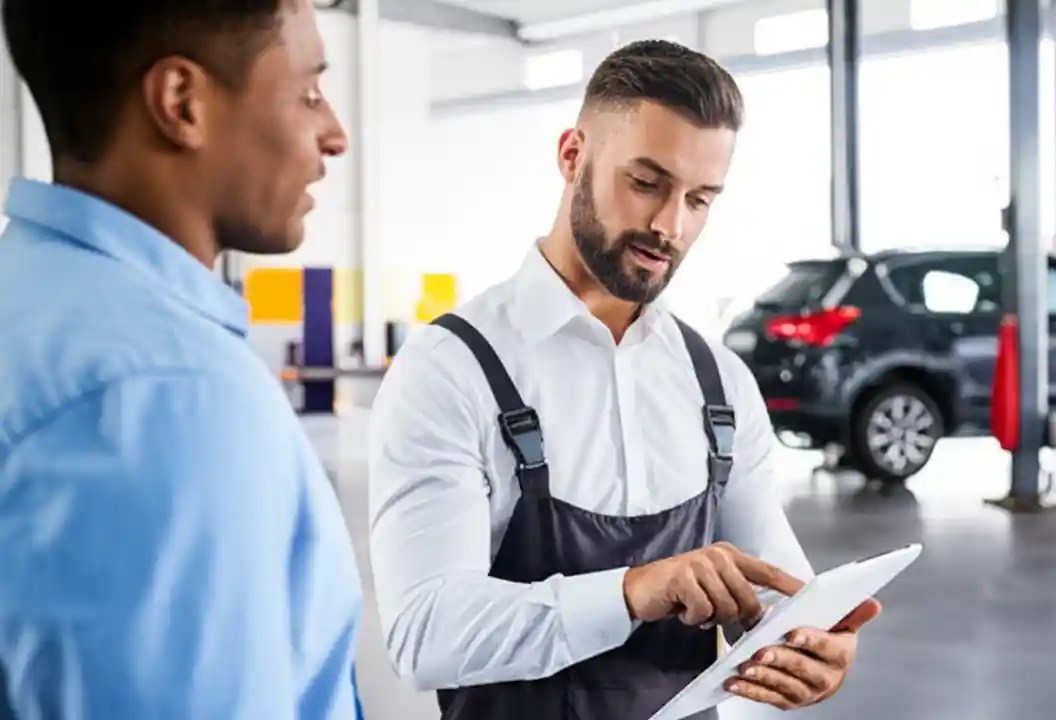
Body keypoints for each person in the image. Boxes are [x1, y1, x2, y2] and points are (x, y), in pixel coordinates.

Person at [367, 40, 881, 719]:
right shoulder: (452, 371)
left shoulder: (718, 385)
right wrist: (632, 591)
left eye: (700, 199)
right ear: (572, 155)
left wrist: (812, 644)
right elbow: (424, 634)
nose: (670, 225)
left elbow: (780, 591)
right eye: (647, 183)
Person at [0, 1, 361, 717]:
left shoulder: (31, 297)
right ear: (182, 103)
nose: (335, 135)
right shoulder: (168, 394)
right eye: (309, 91)